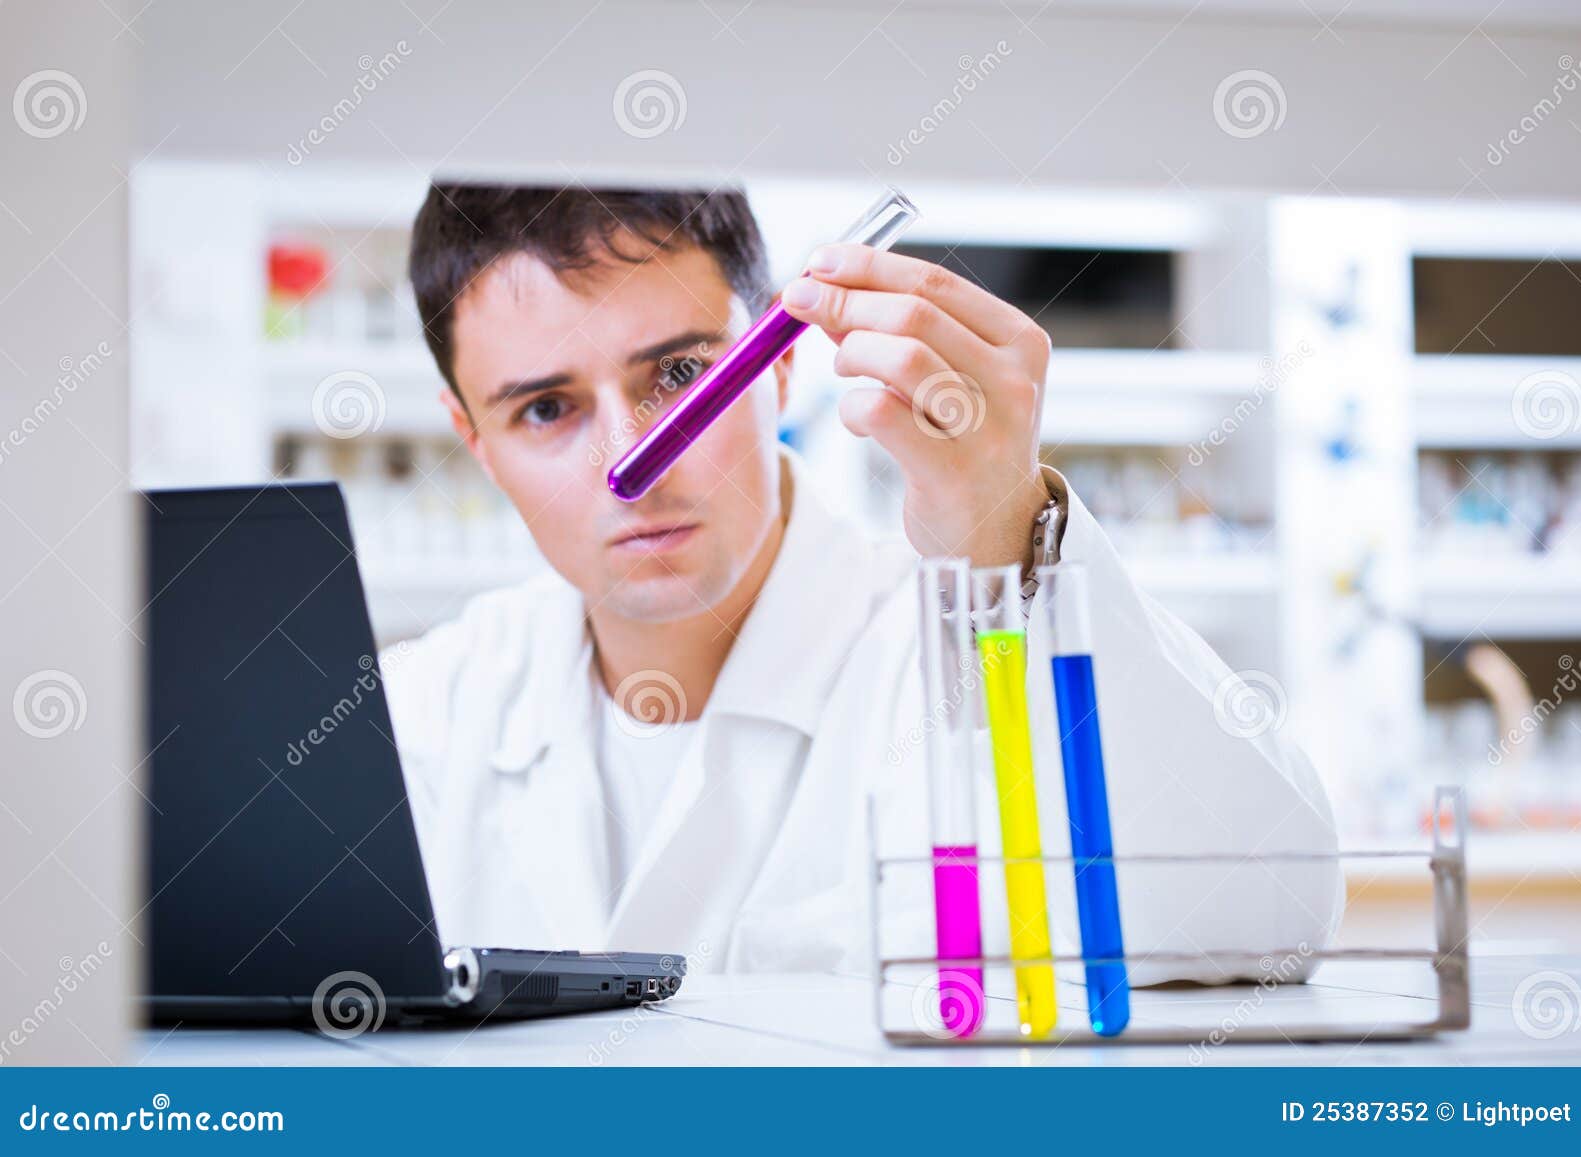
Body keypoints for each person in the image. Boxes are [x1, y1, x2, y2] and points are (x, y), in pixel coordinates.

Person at [382, 183, 1343, 984]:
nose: (630, 464)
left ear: (778, 366)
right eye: (546, 408)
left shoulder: (955, 649)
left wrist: (1007, 526)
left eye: (677, 374)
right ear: (475, 440)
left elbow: (1266, 906)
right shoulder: (422, 711)